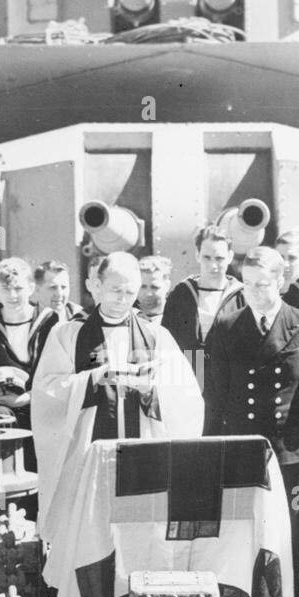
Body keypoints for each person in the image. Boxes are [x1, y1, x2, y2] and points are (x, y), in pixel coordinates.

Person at [203, 246, 299, 597]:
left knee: (291, 537)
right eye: (247, 285)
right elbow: (215, 393)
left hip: (291, 452)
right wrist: (214, 449)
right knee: (245, 536)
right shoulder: (226, 327)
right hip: (244, 449)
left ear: (280, 281)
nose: (254, 293)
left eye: (263, 285)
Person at [32, 252, 204, 540]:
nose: (123, 299)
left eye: (130, 292)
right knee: (90, 532)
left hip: (143, 447)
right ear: (96, 286)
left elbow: (188, 397)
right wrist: (95, 377)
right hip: (86, 449)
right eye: (115, 290)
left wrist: (152, 389)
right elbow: (46, 393)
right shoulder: (68, 333)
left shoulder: (156, 335)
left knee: (136, 532)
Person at [0, 257, 58, 430]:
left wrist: (28, 397)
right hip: (2, 404)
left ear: (31, 288)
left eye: (18, 288)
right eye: (6, 289)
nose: (12, 295)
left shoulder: (49, 320)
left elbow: (56, 373)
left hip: (39, 399)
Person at [161, 225, 245, 384]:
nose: (213, 265)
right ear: (197, 255)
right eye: (207, 257)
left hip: (227, 383)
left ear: (230, 256)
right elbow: (166, 344)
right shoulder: (181, 294)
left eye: (219, 258)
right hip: (187, 381)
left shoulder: (241, 296)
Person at [135, 255, 172, 323]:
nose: (148, 293)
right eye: (142, 287)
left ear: (167, 286)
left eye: (154, 287)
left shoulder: (180, 320)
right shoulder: (126, 322)